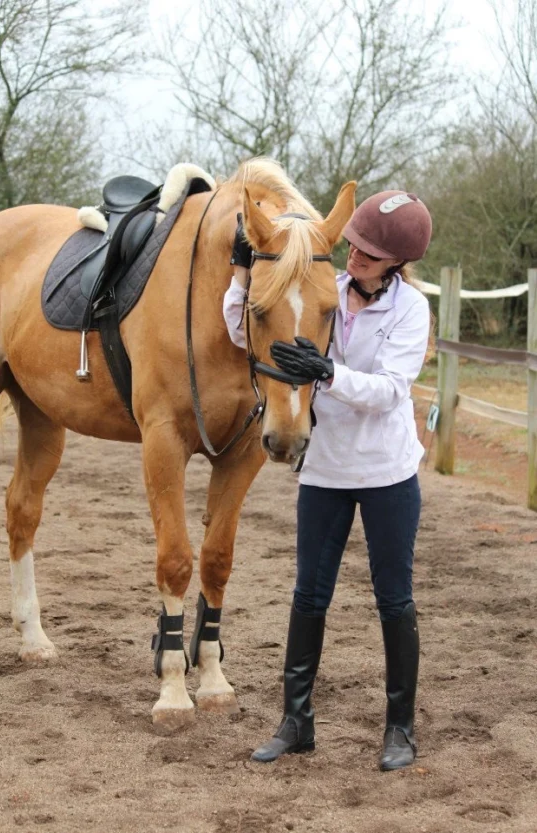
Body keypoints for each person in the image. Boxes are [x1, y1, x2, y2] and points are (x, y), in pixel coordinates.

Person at [223, 190, 432, 771]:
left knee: (394, 598)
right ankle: (296, 722)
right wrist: (243, 278)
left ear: (395, 261)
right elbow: (248, 335)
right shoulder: (326, 291)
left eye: (369, 252)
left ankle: (400, 729)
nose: (356, 257)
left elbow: (392, 390)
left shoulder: (411, 310)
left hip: (388, 472)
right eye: (354, 246)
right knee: (308, 594)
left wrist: (330, 373)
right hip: (326, 469)